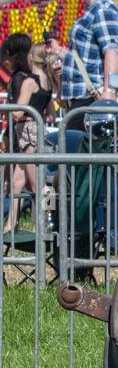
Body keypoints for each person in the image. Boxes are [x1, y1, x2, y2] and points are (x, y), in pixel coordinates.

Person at [61, 0, 118, 129]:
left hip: (93, 99)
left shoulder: (103, 9)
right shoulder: (99, 9)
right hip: (88, 99)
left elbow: (111, 51)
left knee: (78, 150)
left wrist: (108, 94)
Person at [5, 43, 55, 233]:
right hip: (36, 130)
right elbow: (50, 115)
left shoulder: (29, 82)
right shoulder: (48, 82)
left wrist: (7, 109)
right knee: (18, 181)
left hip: (27, 132)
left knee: (38, 184)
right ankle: (11, 223)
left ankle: (49, 222)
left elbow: (18, 112)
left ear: (30, 58)